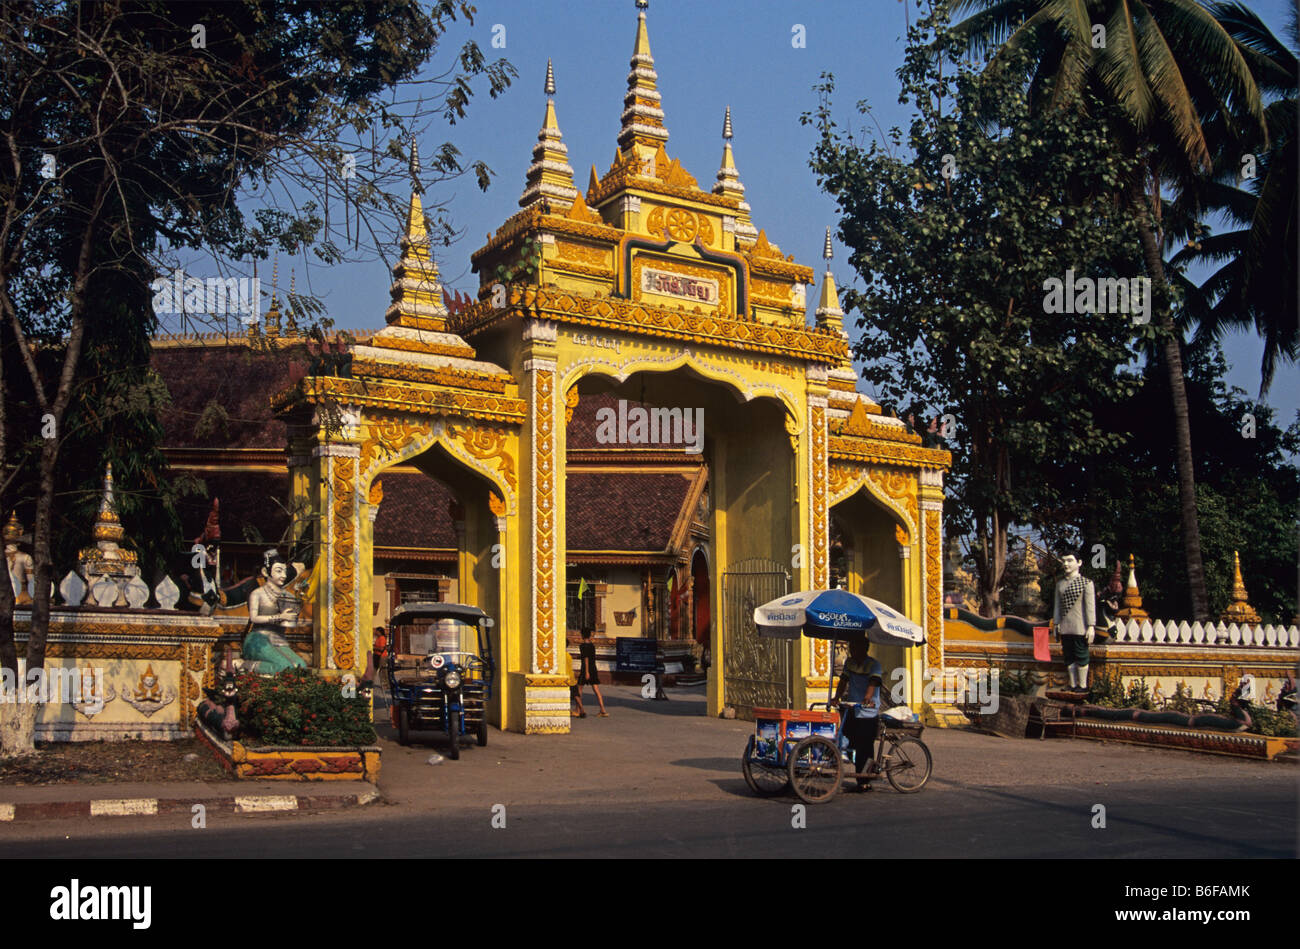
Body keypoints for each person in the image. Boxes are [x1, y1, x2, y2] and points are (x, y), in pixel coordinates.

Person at [242, 550, 308, 675]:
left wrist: (297, 606)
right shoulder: (257, 593)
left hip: (279, 640)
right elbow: (254, 618)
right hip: (258, 640)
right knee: (283, 667)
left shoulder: (287, 596)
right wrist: (280, 616)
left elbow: (289, 622)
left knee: (301, 667)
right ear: (265, 572)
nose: (283, 575)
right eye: (278, 571)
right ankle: (242, 665)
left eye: (284, 571)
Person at [833, 637, 883, 791]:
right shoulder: (850, 663)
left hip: (868, 712)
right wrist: (836, 697)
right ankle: (860, 773)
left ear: (864, 648)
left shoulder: (874, 665)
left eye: (855, 647)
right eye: (851, 647)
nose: (852, 650)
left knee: (865, 746)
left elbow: (873, 683)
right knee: (849, 740)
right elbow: (843, 681)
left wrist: (867, 698)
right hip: (853, 709)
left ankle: (864, 780)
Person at [1053, 551, 1096, 691]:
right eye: (1064, 561)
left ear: (1079, 562)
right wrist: (1056, 623)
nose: (1066, 564)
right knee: (1069, 657)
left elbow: (1090, 606)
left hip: (1080, 626)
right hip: (1065, 627)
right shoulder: (1059, 585)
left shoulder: (1086, 583)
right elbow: (1057, 606)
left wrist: (1091, 626)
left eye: (1070, 560)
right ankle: (1072, 684)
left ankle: (1082, 685)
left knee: (1081, 655)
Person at [575, 625, 608, 717]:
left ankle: (578, 709)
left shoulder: (583, 646)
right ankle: (602, 709)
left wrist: (586, 672)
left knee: (579, 689)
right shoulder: (592, 646)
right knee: (596, 690)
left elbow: (586, 659)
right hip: (593, 668)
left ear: (582, 635)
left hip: (586, 669)